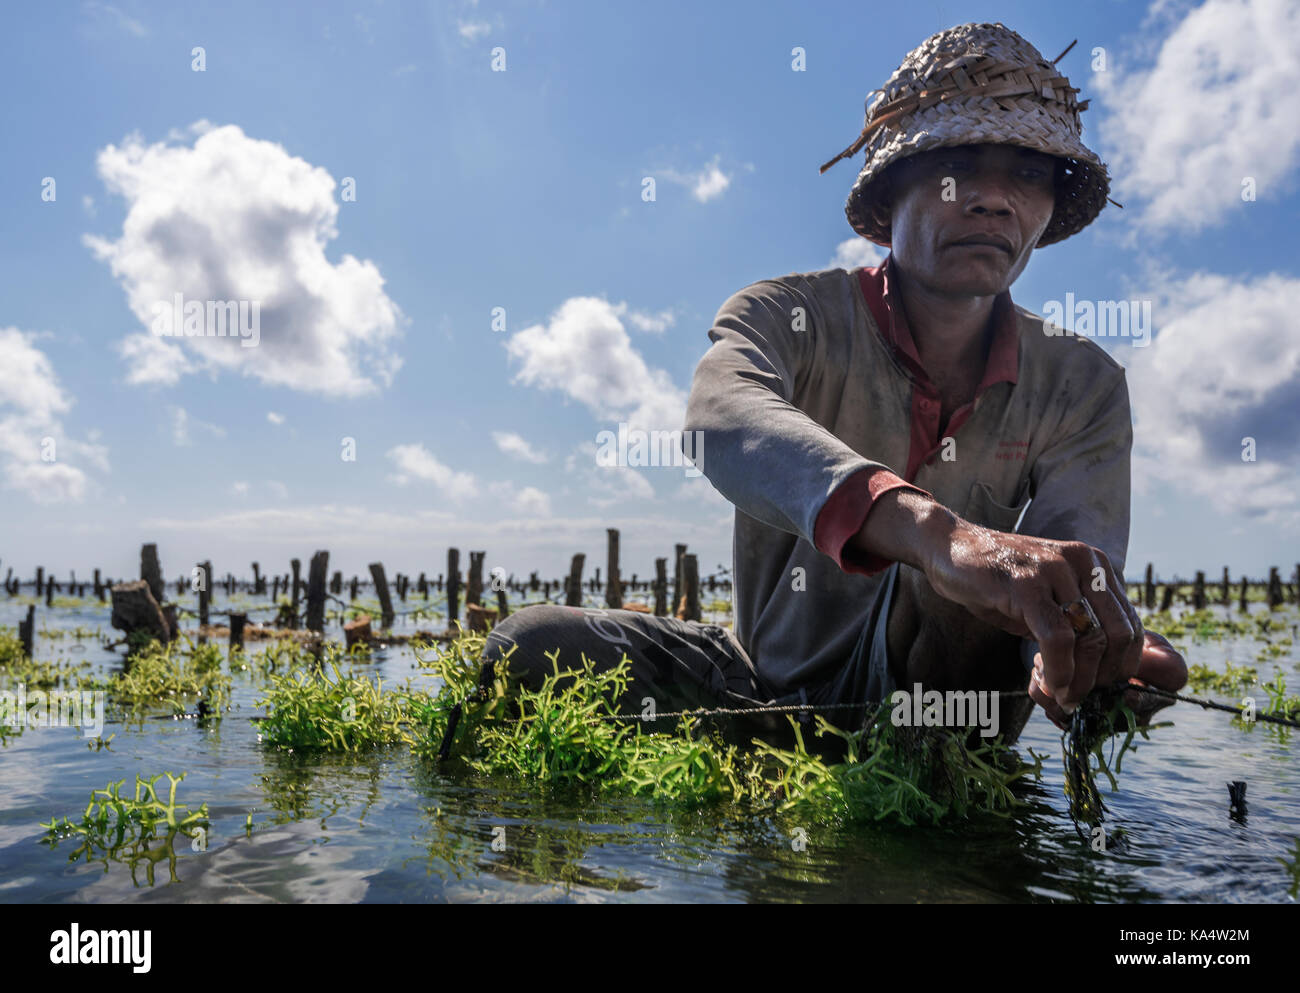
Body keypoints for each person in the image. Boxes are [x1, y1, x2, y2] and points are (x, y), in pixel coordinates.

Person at [481, 21, 1187, 749]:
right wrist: (941, 538)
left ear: (1044, 212)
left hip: (936, 723)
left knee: (980, 590)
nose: (992, 199)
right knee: (529, 646)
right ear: (889, 198)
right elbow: (720, 418)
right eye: (956, 166)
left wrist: (1076, 658)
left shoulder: (1085, 384)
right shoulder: (785, 315)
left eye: (1029, 173)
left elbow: (1075, 572)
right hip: (758, 691)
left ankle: (928, 815)